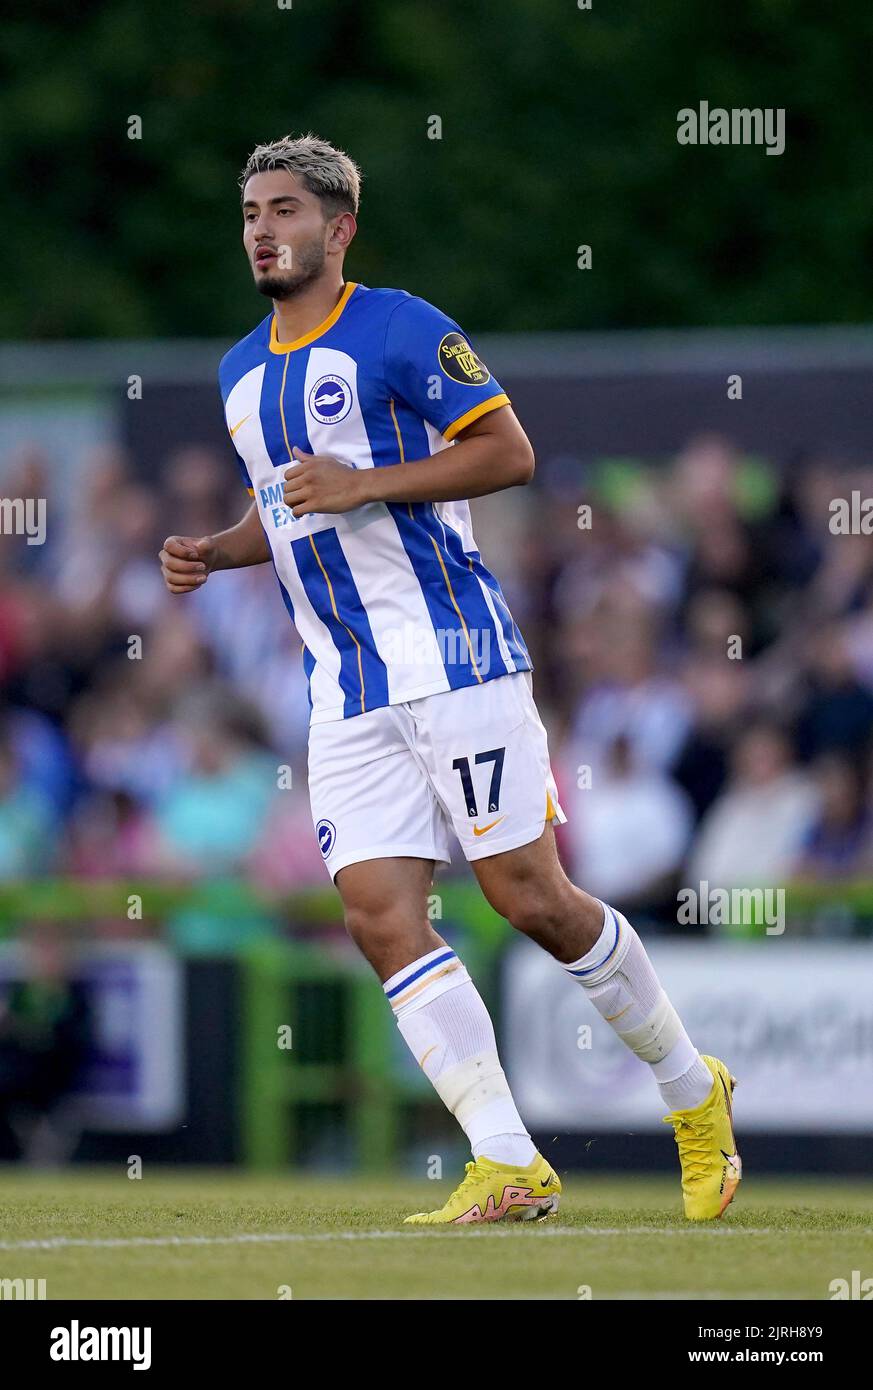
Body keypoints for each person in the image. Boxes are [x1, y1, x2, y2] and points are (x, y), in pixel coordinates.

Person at [159, 133, 740, 1224]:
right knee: (380, 916)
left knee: (529, 897)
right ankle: (508, 1157)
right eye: (248, 213)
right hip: (345, 688)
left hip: (457, 658)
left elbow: (508, 452)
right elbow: (291, 509)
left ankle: (688, 1084)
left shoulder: (402, 328)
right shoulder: (240, 373)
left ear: (338, 230)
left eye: (284, 210)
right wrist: (217, 548)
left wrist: (366, 480)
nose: (261, 231)